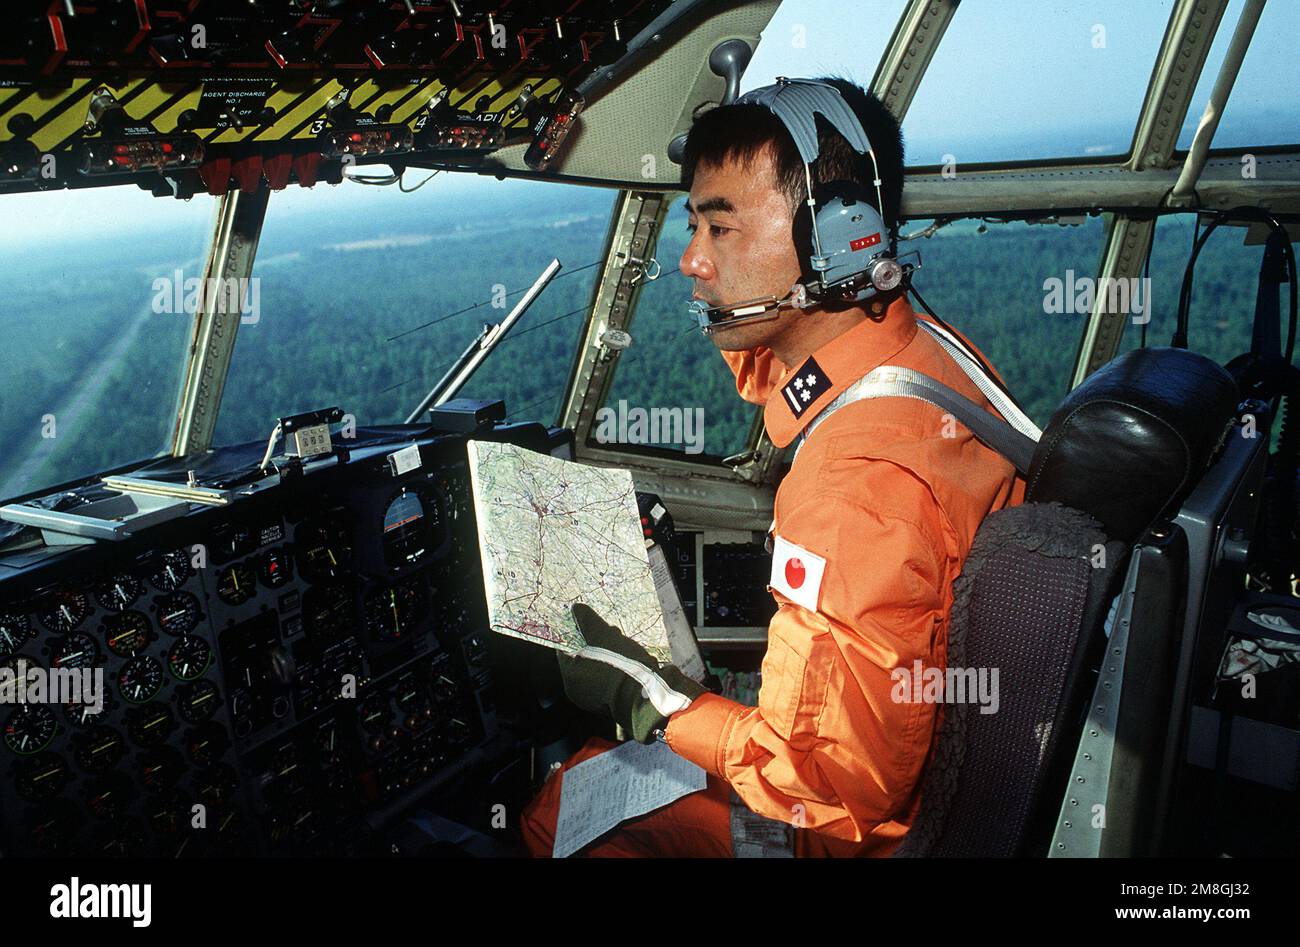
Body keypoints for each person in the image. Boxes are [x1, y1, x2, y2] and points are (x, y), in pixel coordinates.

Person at [520, 76, 1024, 857]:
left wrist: (659, 702)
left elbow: (823, 785)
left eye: (720, 229)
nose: (689, 260)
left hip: (853, 833)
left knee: (561, 805)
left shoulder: (849, 481)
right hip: (952, 781)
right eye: (692, 225)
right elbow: (782, 373)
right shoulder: (918, 350)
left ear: (837, 235)